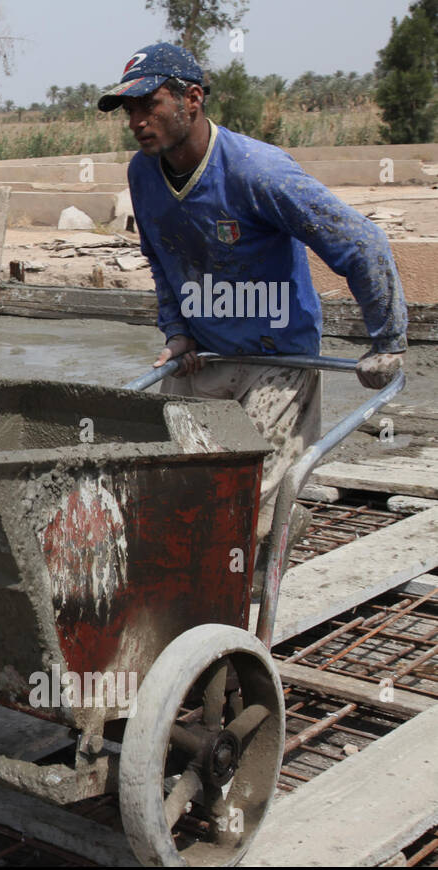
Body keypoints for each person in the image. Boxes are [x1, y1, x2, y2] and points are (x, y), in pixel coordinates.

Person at [96, 42, 407, 568]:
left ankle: (259, 566)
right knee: (170, 487)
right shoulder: (143, 174)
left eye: (150, 104)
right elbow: (160, 257)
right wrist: (176, 330)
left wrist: (387, 342)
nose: (138, 121)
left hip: (278, 360)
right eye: (130, 110)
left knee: (242, 499)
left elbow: (360, 243)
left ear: (191, 99)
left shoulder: (258, 172)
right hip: (206, 355)